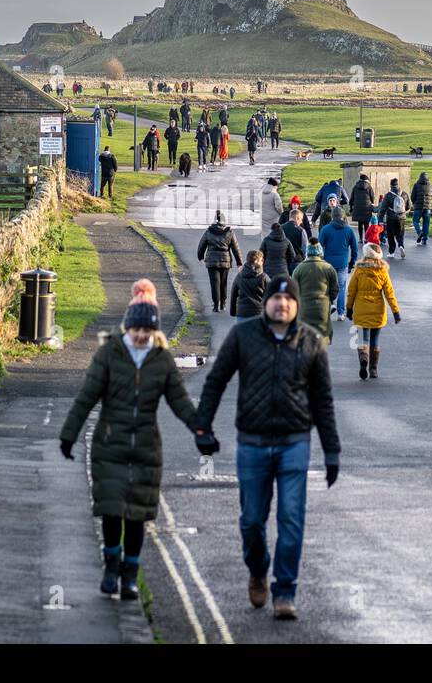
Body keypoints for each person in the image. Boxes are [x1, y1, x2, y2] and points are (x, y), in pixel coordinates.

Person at [194, 274, 340, 620]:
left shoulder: (311, 342)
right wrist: (203, 428)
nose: (282, 303)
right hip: (253, 443)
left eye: (289, 299)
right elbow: (216, 381)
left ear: (296, 305)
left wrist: (331, 451)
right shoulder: (243, 335)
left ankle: (285, 591)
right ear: (267, 302)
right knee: (251, 521)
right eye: (276, 298)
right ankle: (258, 570)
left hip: (294, 443)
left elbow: (323, 401)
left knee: (291, 520)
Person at [60, 280, 197, 599]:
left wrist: (200, 430)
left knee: (137, 515)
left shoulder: (161, 359)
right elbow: (86, 397)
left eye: (146, 332)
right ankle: (111, 568)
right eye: (136, 329)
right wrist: (69, 434)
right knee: (112, 510)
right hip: (110, 445)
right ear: (127, 326)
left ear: (153, 331)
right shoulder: (110, 353)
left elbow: (179, 400)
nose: (140, 336)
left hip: (146, 449)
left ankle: (130, 576)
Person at [346, 243, 400, 380]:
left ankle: (364, 359)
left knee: (363, 339)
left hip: (361, 308)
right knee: (375, 339)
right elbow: (389, 292)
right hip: (378, 309)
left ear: (366, 254)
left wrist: (348, 308)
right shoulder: (382, 270)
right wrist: (395, 311)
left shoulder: (358, 270)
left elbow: (351, 291)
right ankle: (373, 369)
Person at [197, 210, 244, 313]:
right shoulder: (229, 232)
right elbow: (236, 248)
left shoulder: (209, 231)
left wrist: (200, 256)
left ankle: (215, 305)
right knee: (223, 283)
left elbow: (202, 245)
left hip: (211, 261)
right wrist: (239, 262)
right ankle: (223, 303)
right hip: (225, 261)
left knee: (214, 283)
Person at [292, 242, 339, 344]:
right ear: (320, 252)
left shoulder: (299, 269)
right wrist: (330, 300)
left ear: (307, 253)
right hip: (323, 308)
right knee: (322, 339)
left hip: (304, 309)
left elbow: (293, 290)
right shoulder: (329, 268)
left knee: (305, 339)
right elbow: (335, 289)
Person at [319, 205, 359, 320]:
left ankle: (330, 306)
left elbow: (319, 246)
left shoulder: (326, 229)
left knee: (327, 286)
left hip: (327, 262)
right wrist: (352, 262)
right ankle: (341, 312)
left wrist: (320, 259)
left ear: (332, 216)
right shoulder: (348, 230)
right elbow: (354, 248)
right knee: (341, 287)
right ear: (343, 216)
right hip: (343, 262)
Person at [377, 177, 410, 259]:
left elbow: (383, 208)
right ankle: (401, 245)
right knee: (400, 234)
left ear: (391, 186)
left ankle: (391, 252)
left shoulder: (388, 195)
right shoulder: (404, 194)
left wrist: (380, 219)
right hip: (402, 218)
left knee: (391, 235)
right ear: (398, 185)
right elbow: (409, 206)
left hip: (391, 218)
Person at [229, 251, 268, 320]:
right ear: (258, 261)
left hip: (242, 312)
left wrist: (233, 311)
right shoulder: (263, 277)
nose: (263, 262)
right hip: (258, 312)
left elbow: (233, 294)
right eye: (261, 260)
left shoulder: (239, 276)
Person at [410, 170, 432, 246]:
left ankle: (419, 232)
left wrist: (414, 203)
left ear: (420, 177)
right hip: (427, 208)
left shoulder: (416, 185)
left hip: (418, 207)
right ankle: (424, 239)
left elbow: (412, 197)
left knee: (415, 221)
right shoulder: (431, 185)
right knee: (426, 223)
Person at [349, 172, 375, 241]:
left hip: (357, 208)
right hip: (367, 208)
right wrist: (372, 203)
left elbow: (352, 198)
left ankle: (360, 238)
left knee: (360, 224)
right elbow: (372, 197)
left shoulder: (355, 187)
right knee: (366, 224)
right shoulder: (369, 187)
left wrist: (351, 207)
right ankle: (366, 238)